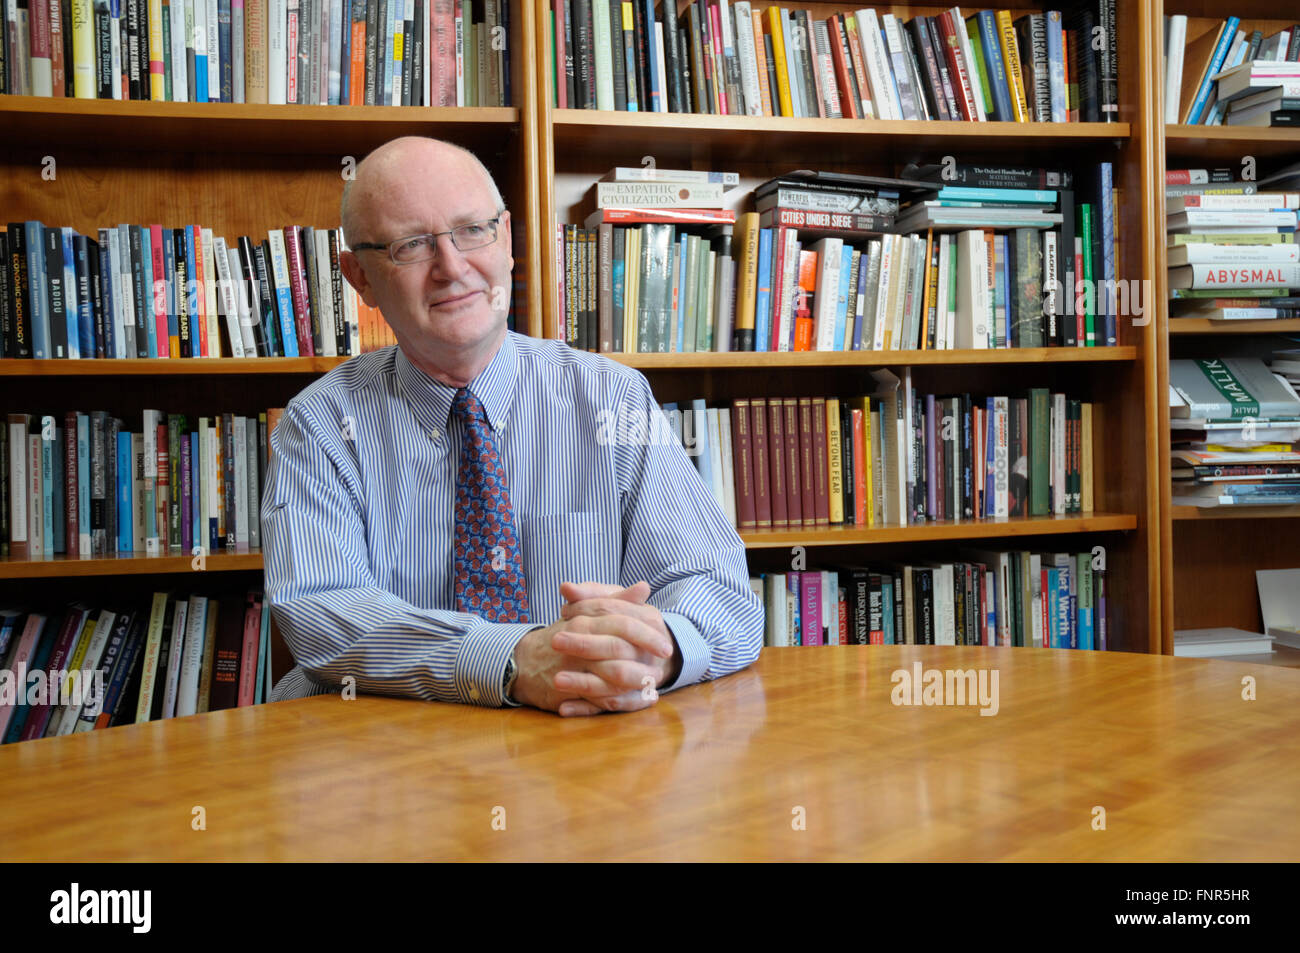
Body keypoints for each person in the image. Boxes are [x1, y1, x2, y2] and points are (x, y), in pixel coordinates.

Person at [262, 136, 764, 716]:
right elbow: (321, 611)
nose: (452, 268)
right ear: (360, 278)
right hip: (382, 760)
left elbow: (717, 587)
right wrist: (512, 659)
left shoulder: (611, 397)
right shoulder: (319, 425)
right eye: (411, 245)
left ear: (507, 240)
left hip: (583, 749)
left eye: (472, 230)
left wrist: (658, 648)